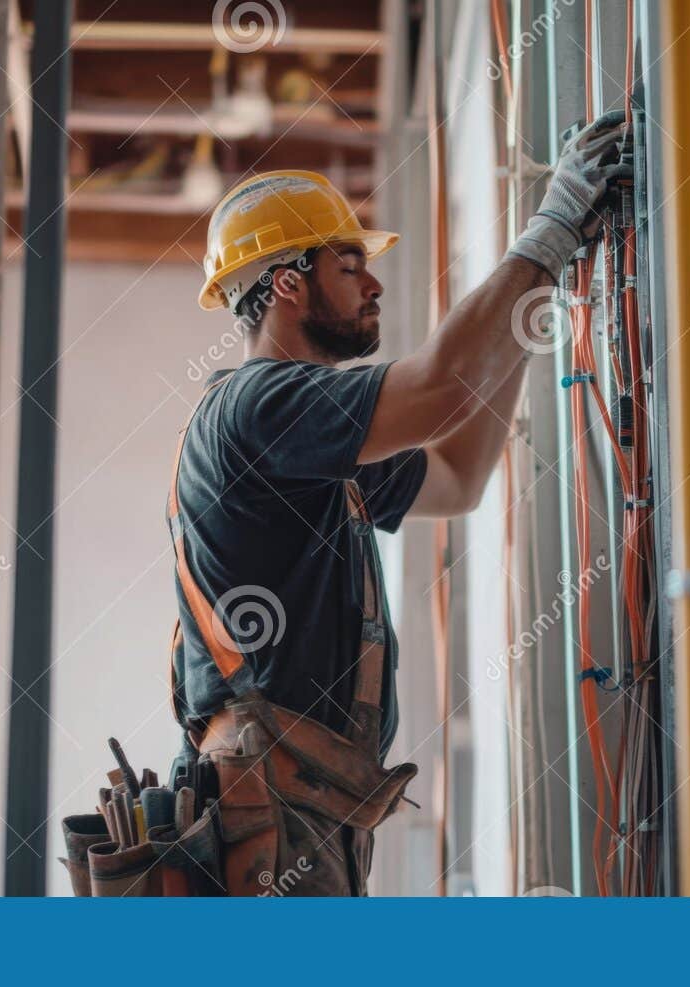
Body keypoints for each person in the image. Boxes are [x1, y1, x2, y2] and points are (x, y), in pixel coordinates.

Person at [168, 111, 630, 895]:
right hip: (270, 811)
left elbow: (459, 473)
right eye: (351, 264)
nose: (374, 282)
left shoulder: (310, 438)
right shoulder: (258, 406)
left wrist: (531, 297)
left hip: (305, 808)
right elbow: (441, 390)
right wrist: (544, 238)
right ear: (287, 281)